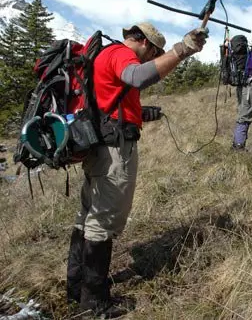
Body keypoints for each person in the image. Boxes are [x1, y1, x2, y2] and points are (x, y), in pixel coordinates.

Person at [66, 22, 208, 318]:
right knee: (102, 224)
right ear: (143, 42)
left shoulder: (104, 55)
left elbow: (109, 102)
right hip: (114, 153)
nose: (149, 58)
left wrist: (142, 114)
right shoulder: (121, 54)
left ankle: (75, 286)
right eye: (152, 52)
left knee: (87, 217)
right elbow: (138, 77)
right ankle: (94, 302)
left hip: (99, 147)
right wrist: (182, 50)